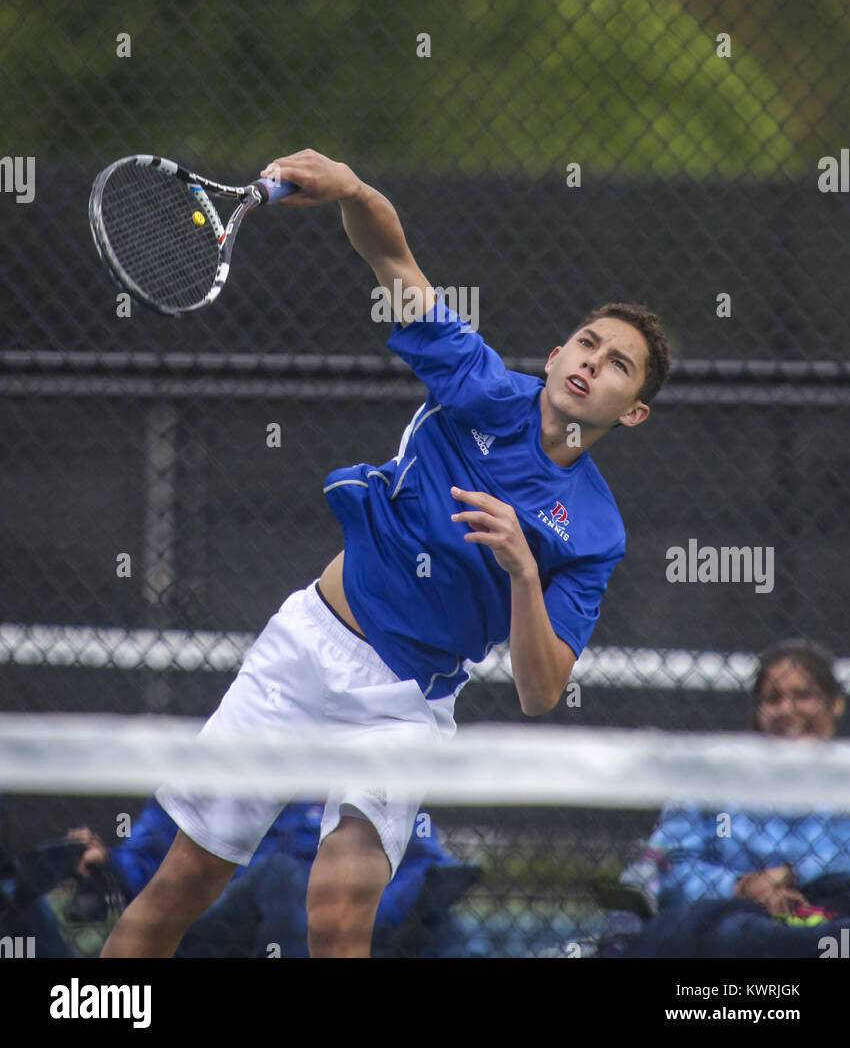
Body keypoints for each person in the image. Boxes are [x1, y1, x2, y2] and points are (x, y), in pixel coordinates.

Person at [101, 148, 670, 960]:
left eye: (618, 364)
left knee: (337, 914)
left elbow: (542, 690)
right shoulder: (474, 382)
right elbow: (392, 257)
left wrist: (520, 571)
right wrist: (356, 190)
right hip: (306, 648)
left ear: (635, 412)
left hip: (405, 704)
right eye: (585, 343)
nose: (591, 363)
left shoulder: (596, 530)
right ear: (553, 356)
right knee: (182, 883)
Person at [607, 639, 850, 957]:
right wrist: (742, 887)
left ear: (835, 704)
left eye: (803, 696)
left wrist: (794, 875)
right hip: (735, 928)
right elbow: (664, 867)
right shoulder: (713, 774)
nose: (787, 710)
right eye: (774, 699)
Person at [65, 798, 477, 958]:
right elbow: (150, 863)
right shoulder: (232, 766)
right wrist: (108, 864)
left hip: (352, 928)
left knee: (444, 921)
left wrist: (375, 915)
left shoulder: (371, 788)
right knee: (281, 878)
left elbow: (426, 871)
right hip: (221, 924)